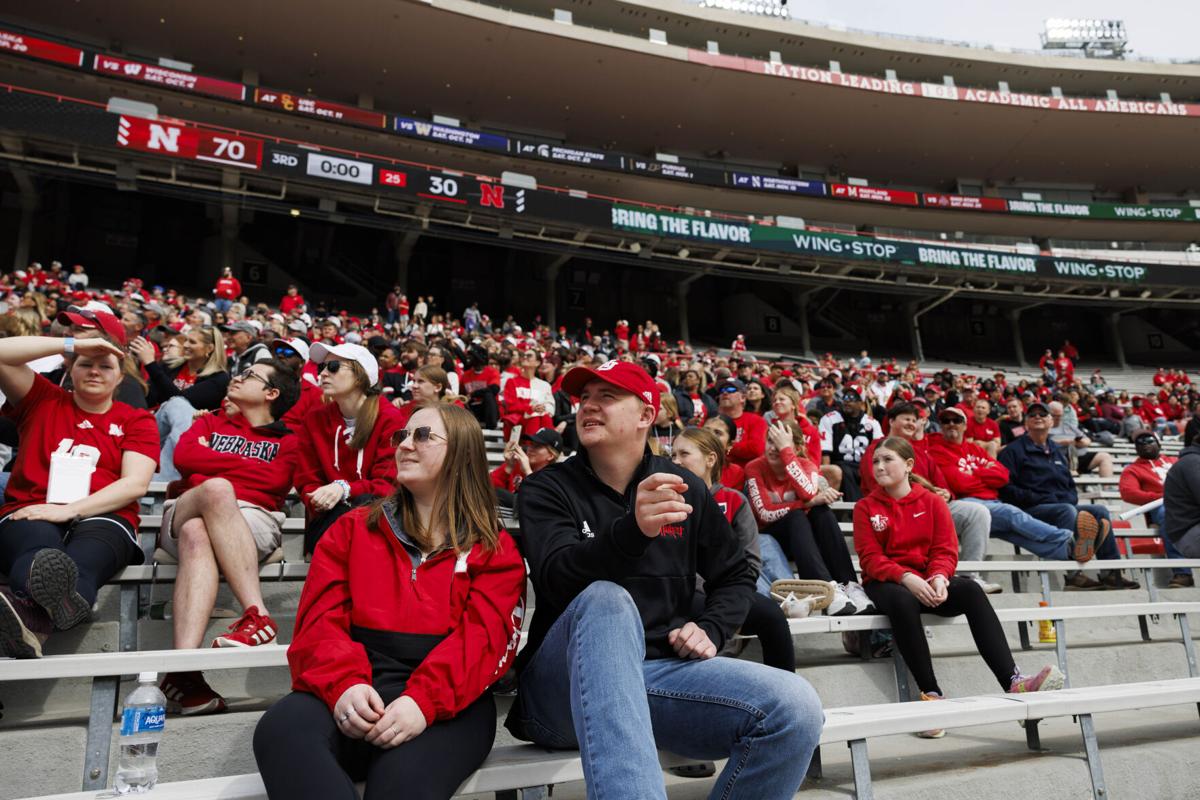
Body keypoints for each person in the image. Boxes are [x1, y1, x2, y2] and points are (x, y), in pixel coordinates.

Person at [506, 360, 822, 798]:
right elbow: (556, 580)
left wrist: (712, 627)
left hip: (655, 675)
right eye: (584, 398)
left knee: (795, 707)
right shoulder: (546, 488)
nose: (589, 407)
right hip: (560, 689)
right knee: (606, 600)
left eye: (607, 397)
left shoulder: (684, 486)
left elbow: (735, 574)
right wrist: (631, 532)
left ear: (645, 415)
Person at [254, 404, 526, 800]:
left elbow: (484, 640)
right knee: (281, 729)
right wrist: (345, 685)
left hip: (448, 703)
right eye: (401, 436)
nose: (404, 445)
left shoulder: (495, 549)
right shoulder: (351, 530)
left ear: (461, 452)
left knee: (399, 786)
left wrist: (422, 702)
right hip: (356, 685)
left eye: (422, 436)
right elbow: (319, 622)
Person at [854, 436, 1064, 738]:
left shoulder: (932, 502)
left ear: (908, 465)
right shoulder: (866, 507)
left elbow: (945, 550)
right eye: (876, 460)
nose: (880, 465)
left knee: (969, 589)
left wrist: (939, 576)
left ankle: (1013, 680)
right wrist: (906, 577)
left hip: (928, 580)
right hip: (889, 583)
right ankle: (931, 695)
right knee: (902, 601)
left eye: (888, 459)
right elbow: (871, 559)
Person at [0, 334, 158, 659]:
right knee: (39, 549)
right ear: (70, 369)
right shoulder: (42, 399)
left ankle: (32, 614)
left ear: (120, 376)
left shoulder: (136, 419)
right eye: (86, 363)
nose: (95, 371)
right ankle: (49, 611)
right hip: (35, 508)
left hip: (105, 515)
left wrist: (70, 509)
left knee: (85, 560)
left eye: (105, 365)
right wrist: (70, 344)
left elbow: (135, 484)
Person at [157, 360, 301, 714]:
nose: (236, 376)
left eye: (250, 375)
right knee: (217, 491)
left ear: (271, 393)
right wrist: (241, 472)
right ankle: (257, 613)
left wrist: (214, 460)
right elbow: (185, 456)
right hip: (189, 504)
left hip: (254, 518)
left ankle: (181, 672)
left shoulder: (289, 440)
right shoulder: (209, 420)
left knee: (197, 529)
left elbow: (276, 482)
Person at [671, 427, 795, 672]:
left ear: (710, 459)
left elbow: (750, 563)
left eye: (684, 453)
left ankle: (789, 691)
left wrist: (726, 593)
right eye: (672, 455)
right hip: (681, 593)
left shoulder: (735, 500)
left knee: (772, 615)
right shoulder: (665, 501)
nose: (675, 461)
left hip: (729, 590)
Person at [998, 401, 1139, 590]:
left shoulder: (1056, 451)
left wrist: (1068, 500)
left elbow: (1070, 486)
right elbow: (1005, 488)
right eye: (1032, 415)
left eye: (1043, 414)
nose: (1038, 417)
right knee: (1066, 511)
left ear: (1051, 422)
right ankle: (1073, 576)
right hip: (1030, 509)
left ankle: (1111, 573)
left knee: (1099, 511)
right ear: (1026, 423)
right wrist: (1039, 498)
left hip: (1059, 506)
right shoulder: (1012, 451)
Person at [863, 405, 999, 594]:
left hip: (930, 506)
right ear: (891, 421)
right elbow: (876, 485)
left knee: (977, 512)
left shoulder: (920, 452)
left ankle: (969, 575)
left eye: (914, 420)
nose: (911, 423)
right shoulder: (877, 449)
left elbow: (945, 487)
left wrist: (945, 494)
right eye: (906, 418)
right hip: (896, 509)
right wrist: (926, 491)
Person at [745, 417, 870, 615]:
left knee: (822, 512)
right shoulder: (754, 467)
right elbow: (764, 513)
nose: (773, 448)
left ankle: (850, 585)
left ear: (796, 446)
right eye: (770, 441)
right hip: (773, 543)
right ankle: (823, 588)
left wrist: (788, 455)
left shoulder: (806, 465)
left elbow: (807, 493)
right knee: (798, 515)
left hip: (805, 543)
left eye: (781, 444)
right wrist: (805, 504)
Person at [295, 343, 405, 556]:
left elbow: (389, 484)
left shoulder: (390, 418)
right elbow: (306, 480)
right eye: (322, 368)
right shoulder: (314, 420)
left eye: (333, 366)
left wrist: (344, 489)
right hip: (328, 517)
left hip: (377, 515)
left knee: (363, 514)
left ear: (359, 375)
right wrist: (319, 499)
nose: (323, 373)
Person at [1122, 432, 1192, 586]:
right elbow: (1128, 493)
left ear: (1159, 444)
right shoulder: (1132, 469)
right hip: (1161, 505)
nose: (1145, 444)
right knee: (1168, 514)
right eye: (1140, 443)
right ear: (1136, 449)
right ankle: (1182, 572)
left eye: (1149, 440)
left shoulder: (1175, 461)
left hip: (1189, 502)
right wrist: (1162, 496)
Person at [819, 387, 882, 502]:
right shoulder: (830, 419)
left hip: (864, 466)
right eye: (845, 397)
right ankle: (854, 508)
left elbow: (879, 450)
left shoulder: (872, 423)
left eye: (852, 398)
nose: (847, 401)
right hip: (840, 464)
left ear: (861, 402)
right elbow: (825, 452)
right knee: (845, 471)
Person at [491, 428, 561, 509]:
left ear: (551, 456)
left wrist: (528, 472)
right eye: (531, 444)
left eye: (537, 446)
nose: (530, 448)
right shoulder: (516, 465)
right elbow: (487, 490)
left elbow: (543, 504)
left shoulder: (555, 477)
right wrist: (508, 468)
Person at [1048, 401, 1114, 478]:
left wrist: (1081, 442)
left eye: (1060, 415)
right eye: (1055, 415)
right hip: (1059, 458)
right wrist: (1063, 442)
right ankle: (1073, 472)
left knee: (1105, 456)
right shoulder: (1043, 427)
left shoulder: (1069, 426)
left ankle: (1107, 487)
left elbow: (1087, 440)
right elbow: (1039, 442)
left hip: (1079, 456)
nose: (1058, 418)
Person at [715, 378, 768, 469]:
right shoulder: (712, 422)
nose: (725, 393)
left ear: (743, 398)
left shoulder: (756, 420)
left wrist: (723, 446)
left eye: (731, 390)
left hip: (745, 475)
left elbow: (756, 449)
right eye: (722, 390)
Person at [500, 349, 553, 439]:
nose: (525, 357)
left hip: (540, 419)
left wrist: (544, 408)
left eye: (529, 356)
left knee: (544, 417)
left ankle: (544, 447)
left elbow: (550, 406)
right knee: (535, 417)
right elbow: (511, 405)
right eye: (524, 355)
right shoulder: (511, 381)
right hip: (516, 422)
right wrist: (531, 408)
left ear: (537, 363)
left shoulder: (545, 385)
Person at [702, 415, 745, 491]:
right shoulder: (686, 463)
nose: (709, 435)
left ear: (730, 445)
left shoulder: (735, 473)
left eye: (717, 433)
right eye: (705, 430)